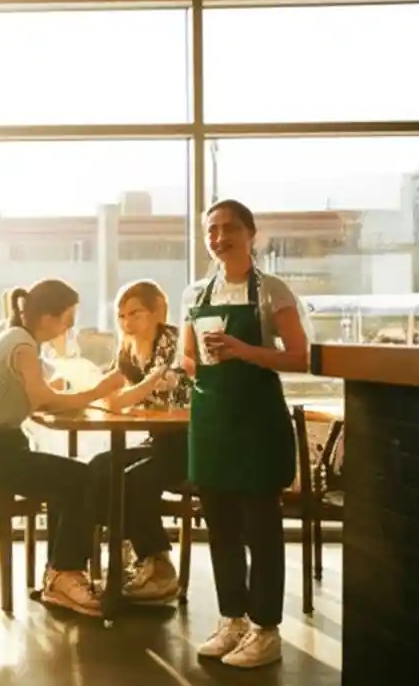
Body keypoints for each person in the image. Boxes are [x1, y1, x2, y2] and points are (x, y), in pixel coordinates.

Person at [0, 279, 148, 617]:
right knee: (79, 478)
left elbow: (41, 400)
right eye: (68, 317)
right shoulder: (22, 346)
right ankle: (64, 574)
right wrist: (99, 391)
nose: (70, 326)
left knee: (67, 480)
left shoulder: (17, 340)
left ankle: (62, 574)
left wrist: (78, 393)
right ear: (47, 318)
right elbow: (44, 400)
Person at [180, 199, 310, 669]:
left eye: (229, 228)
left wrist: (244, 350)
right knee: (220, 529)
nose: (218, 237)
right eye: (210, 230)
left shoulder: (272, 291)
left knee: (261, 527)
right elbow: (186, 357)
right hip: (211, 421)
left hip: (256, 422)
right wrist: (205, 363)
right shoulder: (195, 293)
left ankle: (265, 628)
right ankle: (231, 618)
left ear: (251, 233)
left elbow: (300, 356)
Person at [88, 279, 193, 603]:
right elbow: (108, 389)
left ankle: (160, 567)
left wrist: (118, 398)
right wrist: (68, 396)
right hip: (160, 440)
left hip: (189, 444)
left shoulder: (171, 341)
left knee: (133, 481)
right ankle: (125, 550)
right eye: (121, 315)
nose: (126, 322)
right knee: (100, 468)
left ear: (156, 312)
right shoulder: (129, 349)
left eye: (135, 313)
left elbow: (139, 389)